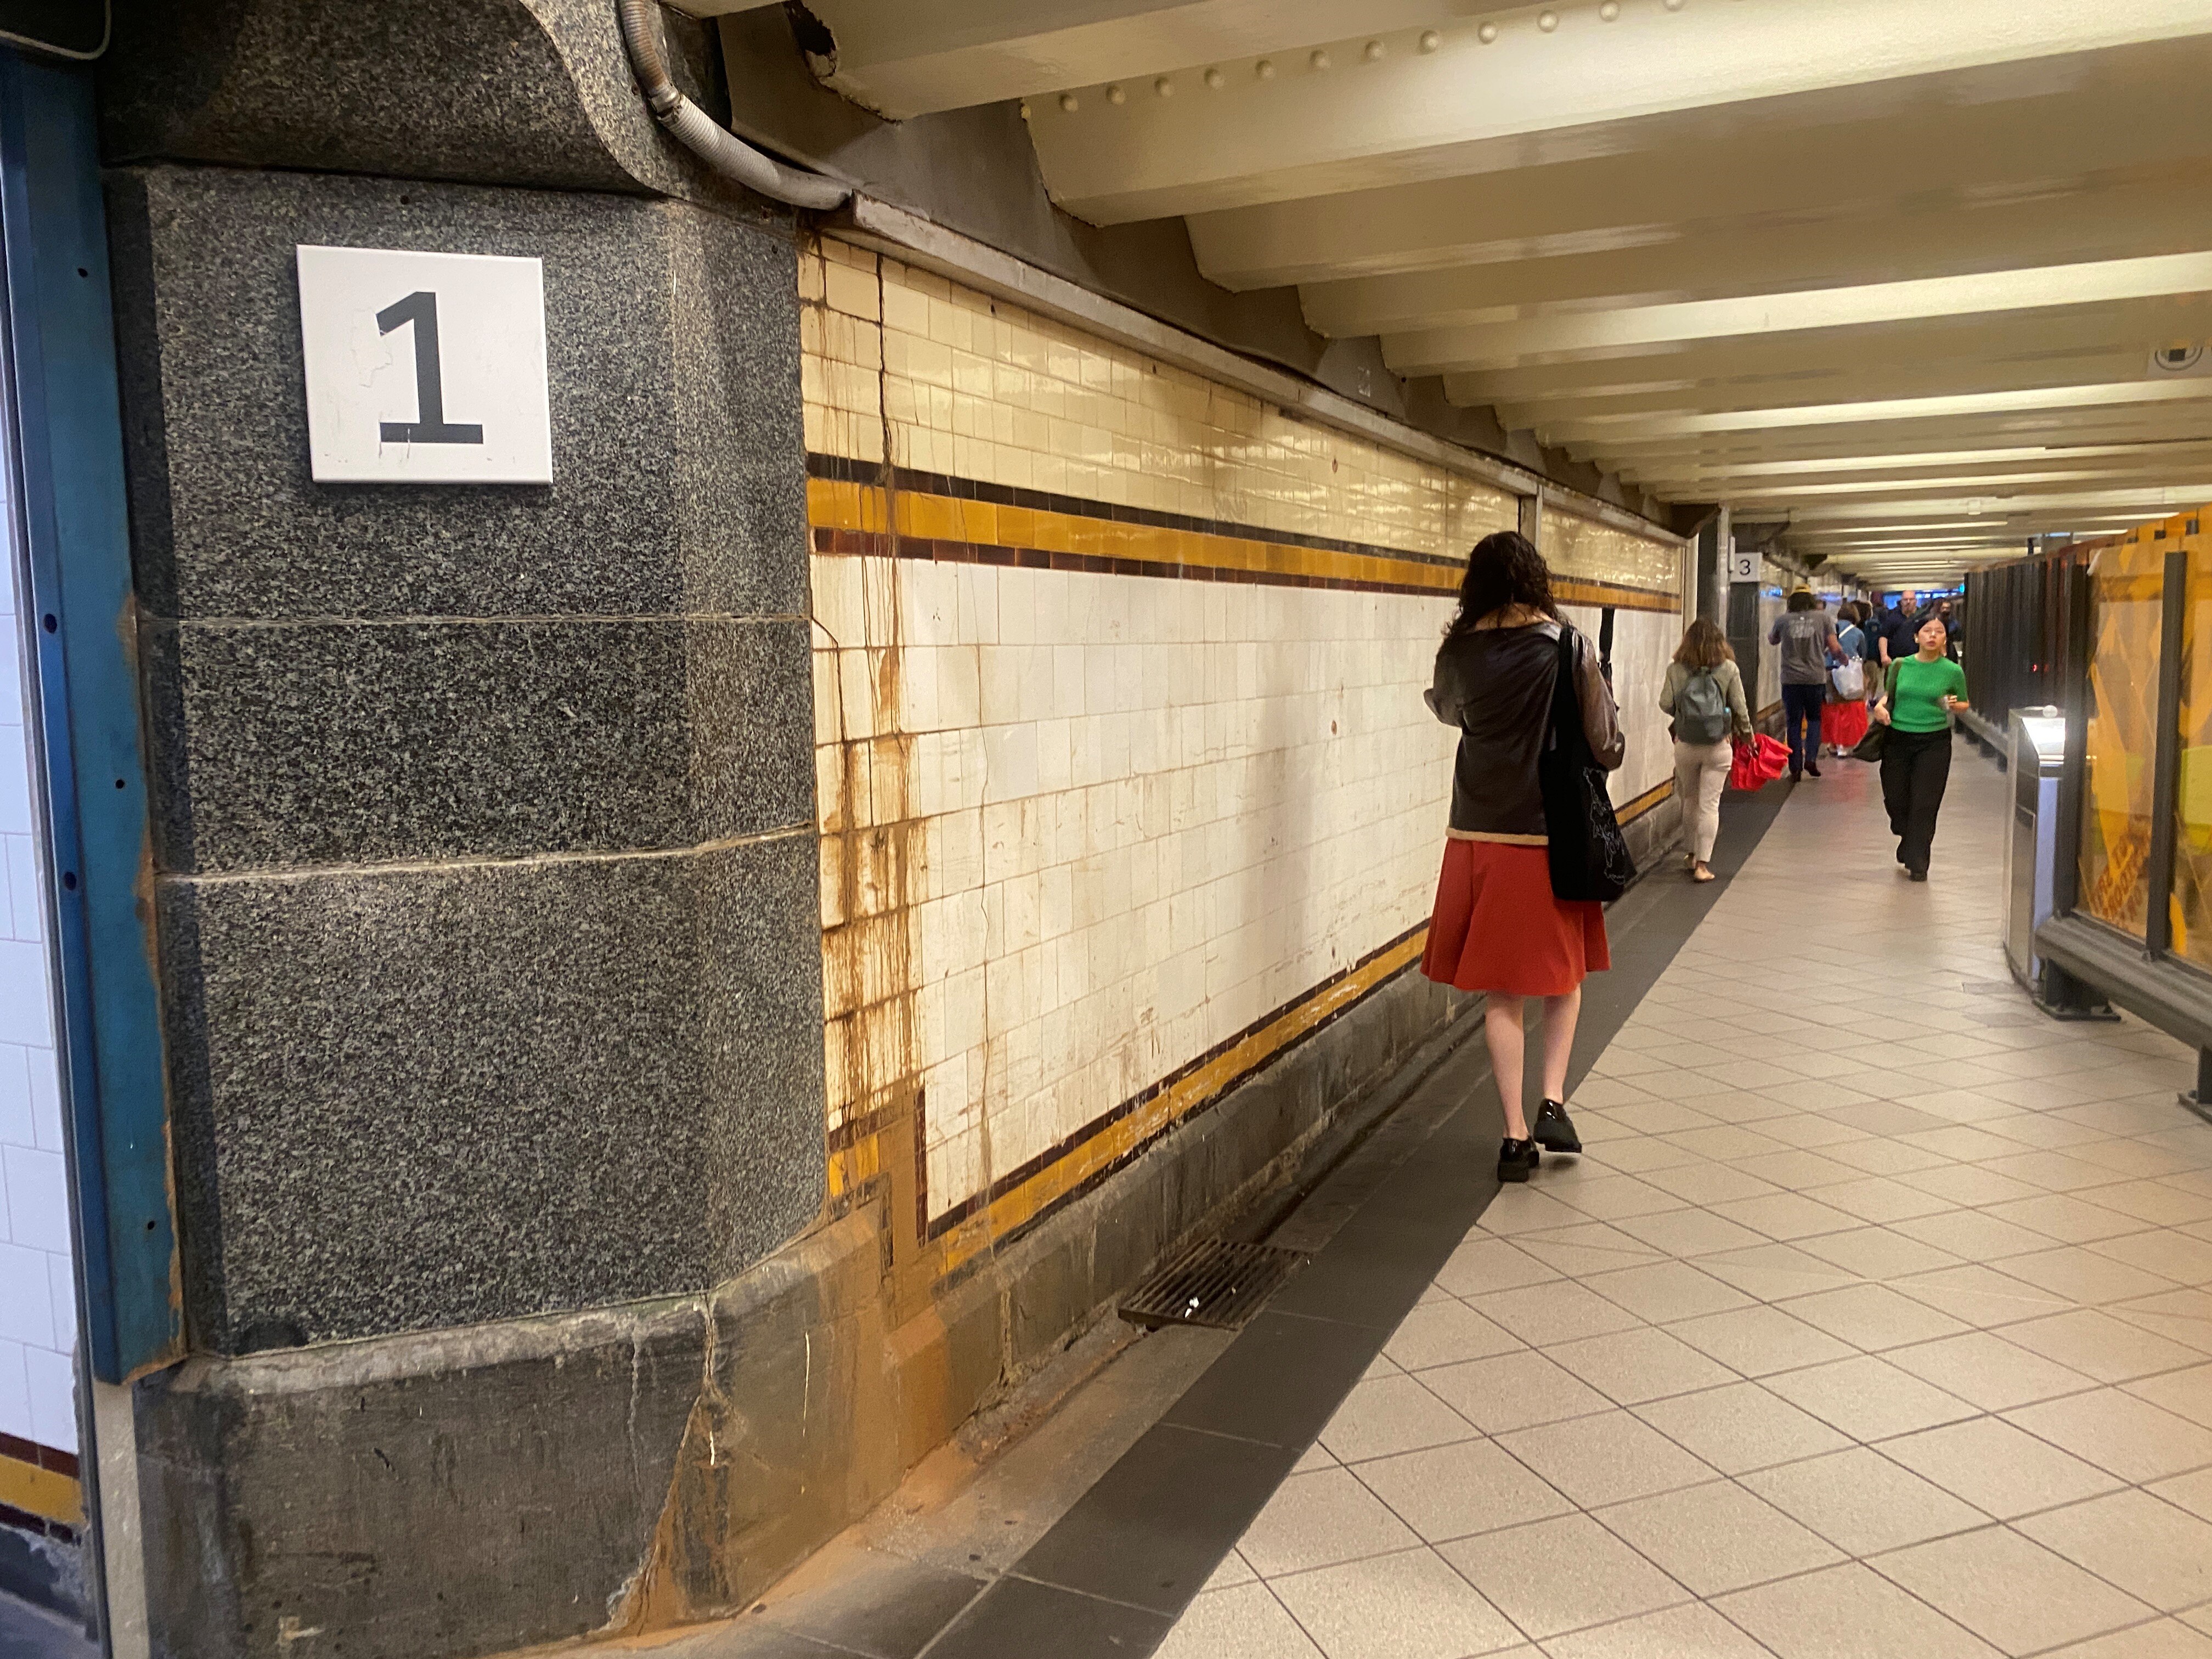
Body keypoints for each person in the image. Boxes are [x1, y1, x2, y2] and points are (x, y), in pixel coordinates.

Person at [1421, 530, 1625, 1183]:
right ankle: (1553, 1101)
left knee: (1502, 993)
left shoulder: (1458, 652)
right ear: (1537, 579)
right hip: (1548, 836)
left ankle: (1513, 1138)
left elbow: (1449, 712)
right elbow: (1607, 744)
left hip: (1478, 834)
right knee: (1562, 979)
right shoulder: (1569, 646)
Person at [1875, 612, 1971, 881]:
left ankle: (1919, 861)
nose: (1932, 636)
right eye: (1927, 631)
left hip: (1934, 742)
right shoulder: (1900, 665)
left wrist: (1954, 705)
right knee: (1896, 799)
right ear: (1917, 637)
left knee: (1925, 803)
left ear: (1944, 640)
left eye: (1939, 632)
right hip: (1898, 740)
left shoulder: (1952, 670)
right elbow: (1887, 696)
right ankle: (1907, 836)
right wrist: (1879, 709)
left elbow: (1964, 704)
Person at [1660, 618, 1751, 883]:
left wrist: (1684, 711)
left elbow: (1665, 703)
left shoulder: (1676, 669)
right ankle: (1702, 865)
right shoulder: (1729, 669)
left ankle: (1690, 854)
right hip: (1718, 745)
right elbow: (1740, 707)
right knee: (1710, 805)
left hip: (1686, 744)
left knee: (1690, 799)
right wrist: (1747, 735)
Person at [1769, 589, 1846, 781]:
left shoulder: (1783, 620)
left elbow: (1772, 640)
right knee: (1814, 720)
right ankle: (1810, 758)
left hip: (1791, 680)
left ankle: (1795, 767)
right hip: (1815, 678)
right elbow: (1835, 647)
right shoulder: (1824, 619)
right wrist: (1843, 659)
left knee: (1793, 722)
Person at [1826, 602, 1871, 754]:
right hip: (1849, 675)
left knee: (1833, 709)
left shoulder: (1830, 630)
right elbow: (1863, 655)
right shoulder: (1858, 633)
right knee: (1848, 709)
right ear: (1855, 616)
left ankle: (1833, 743)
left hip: (1829, 672)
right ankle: (1844, 745)